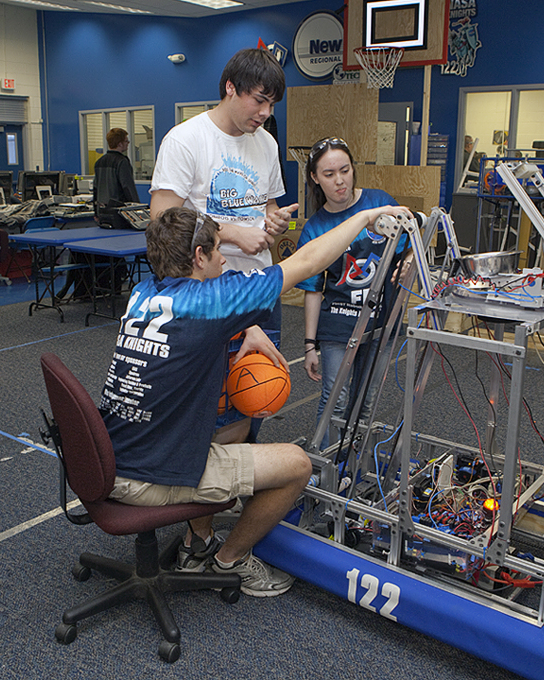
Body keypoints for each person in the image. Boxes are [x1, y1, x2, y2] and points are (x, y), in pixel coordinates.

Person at [99, 203, 412, 597]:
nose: (223, 259)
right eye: (217, 250)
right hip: (148, 475)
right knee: (297, 465)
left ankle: (197, 544)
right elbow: (307, 261)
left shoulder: (142, 293)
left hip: (110, 456)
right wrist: (365, 218)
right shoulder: (211, 300)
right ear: (199, 257)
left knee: (229, 433)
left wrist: (245, 324)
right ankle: (230, 559)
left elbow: (190, 325)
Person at [149, 47, 299, 441]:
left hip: (259, 290)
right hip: (209, 293)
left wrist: (274, 222)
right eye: (259, 100)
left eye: (272, 104)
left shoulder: (266, 143)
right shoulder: (186, 140)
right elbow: (162, 219)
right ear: (231, 87)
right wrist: (232, 233)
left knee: (257, 397)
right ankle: (201, 478)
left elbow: (267, 209)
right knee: (211, 407)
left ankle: (240, 474)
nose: (265, 112)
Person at [296, 137, 409, 451]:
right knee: (336, 397)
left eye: (344, 170)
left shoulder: (379, 202)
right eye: (329, 174)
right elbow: (313, 290)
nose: (339, 180)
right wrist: (309, 345)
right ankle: (323, 462)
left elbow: (410, 243)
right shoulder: (316, 228)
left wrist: (410, 260)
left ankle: (352, 462)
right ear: (315, 178)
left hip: (381, 321)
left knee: (366, 399)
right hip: (338, 324)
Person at [94, 127, 140, 230]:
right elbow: (128, 187)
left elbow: (95, 189)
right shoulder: (122, 162)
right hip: (119, 213)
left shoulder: (99, 162)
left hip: (103, 213)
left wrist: (96, 212)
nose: (128, 143)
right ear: (120, 144)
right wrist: (137, 208)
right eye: (126, 141)